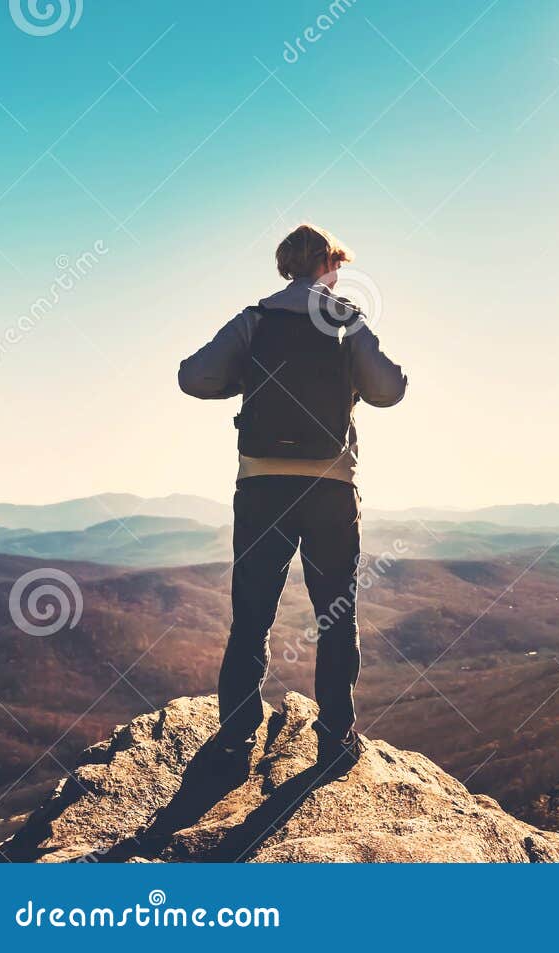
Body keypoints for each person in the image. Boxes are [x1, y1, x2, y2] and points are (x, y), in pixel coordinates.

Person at [178, 224, 407, 773]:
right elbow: (388, 389)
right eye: (337, 266)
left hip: (262, 486)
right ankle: (335, 737)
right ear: (328, 265)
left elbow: (193, 377)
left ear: (286, 266)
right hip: (330, 488)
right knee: (336, 614)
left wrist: (248, 380)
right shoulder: (345, 321)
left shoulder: (254, 320)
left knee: (251, 616)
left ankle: (235, 739)